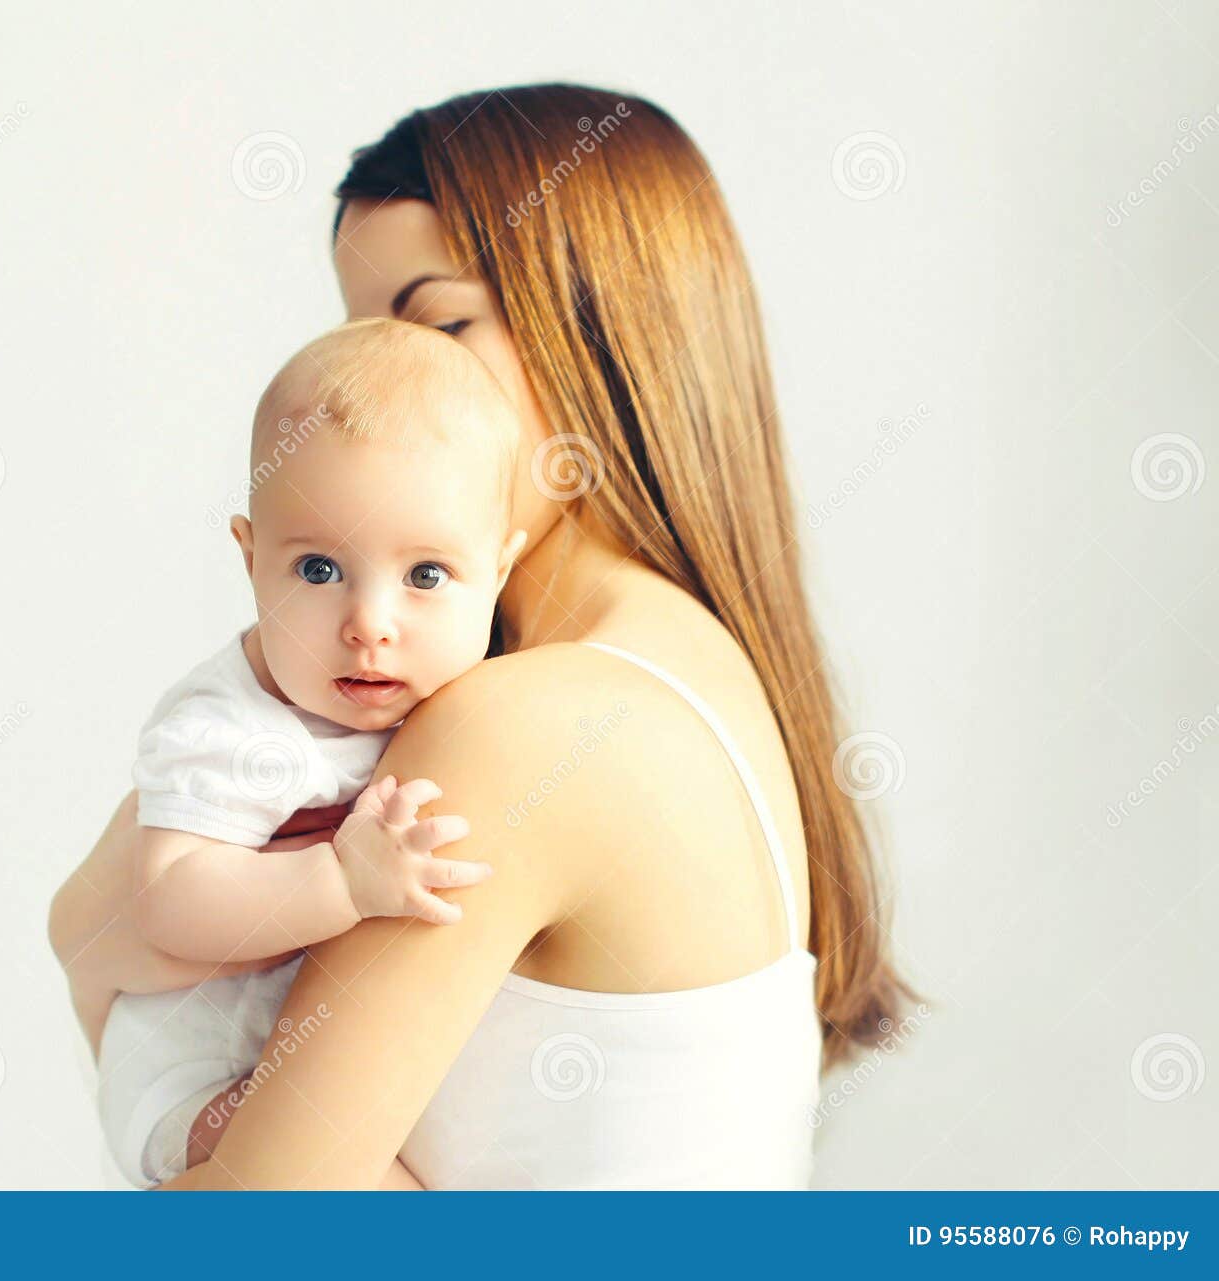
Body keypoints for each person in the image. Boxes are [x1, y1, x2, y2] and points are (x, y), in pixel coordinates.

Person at [49, 82, 916, 1190]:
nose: (397, 387)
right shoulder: (688, 672)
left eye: (441, 323)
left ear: (606, 321)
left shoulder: (526, 724)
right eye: (365, 335)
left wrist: (94, 936)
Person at [94, 318, 522, 1187]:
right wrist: (339, 882)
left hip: (300, 1060)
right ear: (251, 561)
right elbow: (170, 902)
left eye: (427, 575)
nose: (370, 623)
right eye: (319, 569)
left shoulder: (475, 699)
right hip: (193, 1085)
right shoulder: (224, 726)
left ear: (501, 573)